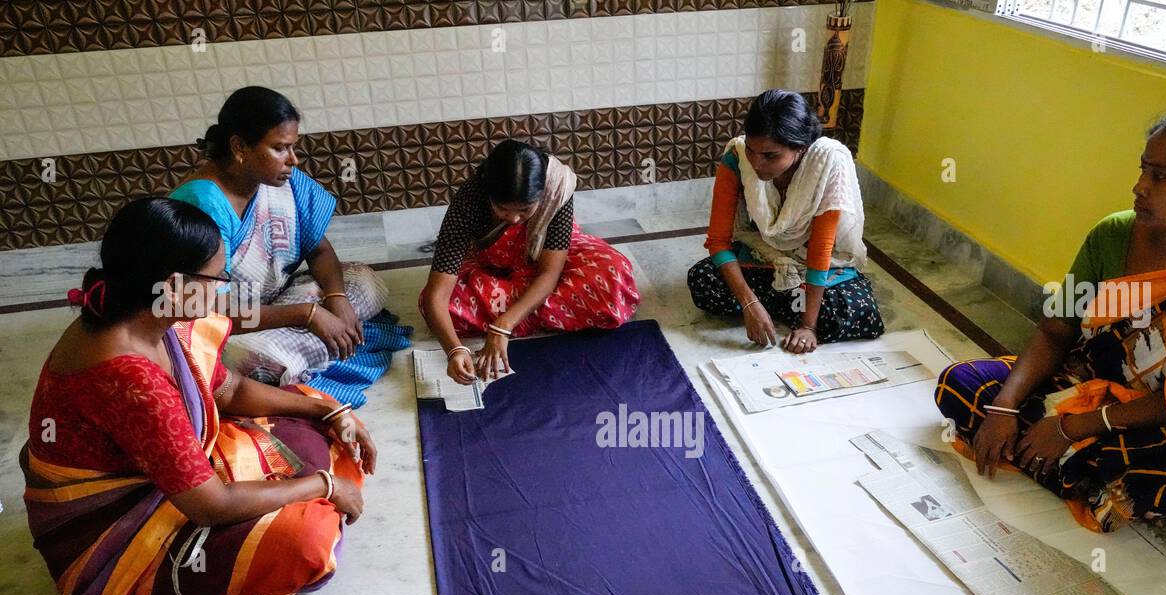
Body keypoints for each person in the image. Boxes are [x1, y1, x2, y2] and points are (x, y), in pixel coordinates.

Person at [20, 198, 376, 595]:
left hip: (169, 476)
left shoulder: (147, 314)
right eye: (217, 279)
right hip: (120, 527)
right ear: (175, 284)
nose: (221, 291)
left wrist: (329, 410)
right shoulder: (128, 376)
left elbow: (226, 389)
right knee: (306, 544)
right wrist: (324, 485)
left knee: (306, 406)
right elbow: (212, 507)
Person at [935, 108, 1166, 532]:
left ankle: (1057, 457)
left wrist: (1070, 429)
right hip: (1080, 386)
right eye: (1143, 170)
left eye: (1160, 177)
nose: (1139, 187)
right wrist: (1004, 407)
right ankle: (1083, 477)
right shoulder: (1112, 234)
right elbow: (1056, 329)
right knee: (960, 381)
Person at [171, 86, 400, 394]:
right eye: (279, 148)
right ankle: (287, 362)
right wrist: (308, 314)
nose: (292, 159)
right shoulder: (203, 203)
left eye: (293, 147)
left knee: (361, 279)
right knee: (250, 359)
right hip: (224, 325)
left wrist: (336, 299)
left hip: (273, 302)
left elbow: (320, 252)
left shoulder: (278, 181)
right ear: (240, 147)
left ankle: (309, 350)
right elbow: (209, 311)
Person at [418, 139, 640, 383]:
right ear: (489, 194)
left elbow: (548, 274)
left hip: (548, 261)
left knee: (614, 276)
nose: (513, 219)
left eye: (525, 210)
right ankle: (544, 313)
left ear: (541, 195)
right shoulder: (468, 202)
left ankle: (520, 313)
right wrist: (455, 350)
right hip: (494, 268)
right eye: (503, 209)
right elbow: (436, 294)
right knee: (443, 304)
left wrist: (503, 325)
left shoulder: (556, 186)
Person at [687, 89, 882, 354]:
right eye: (753, 151)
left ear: (800, 147)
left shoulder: (827, 163)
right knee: (703, 280)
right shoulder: (737, 157)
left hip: (813, 265)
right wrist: (749, 304)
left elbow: (821, 251)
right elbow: (718, 241)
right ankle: (780, 301)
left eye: (771, 156)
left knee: (852, 311)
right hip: (763, 255)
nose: (757, 163)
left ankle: (790, 303)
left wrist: (808, 327)